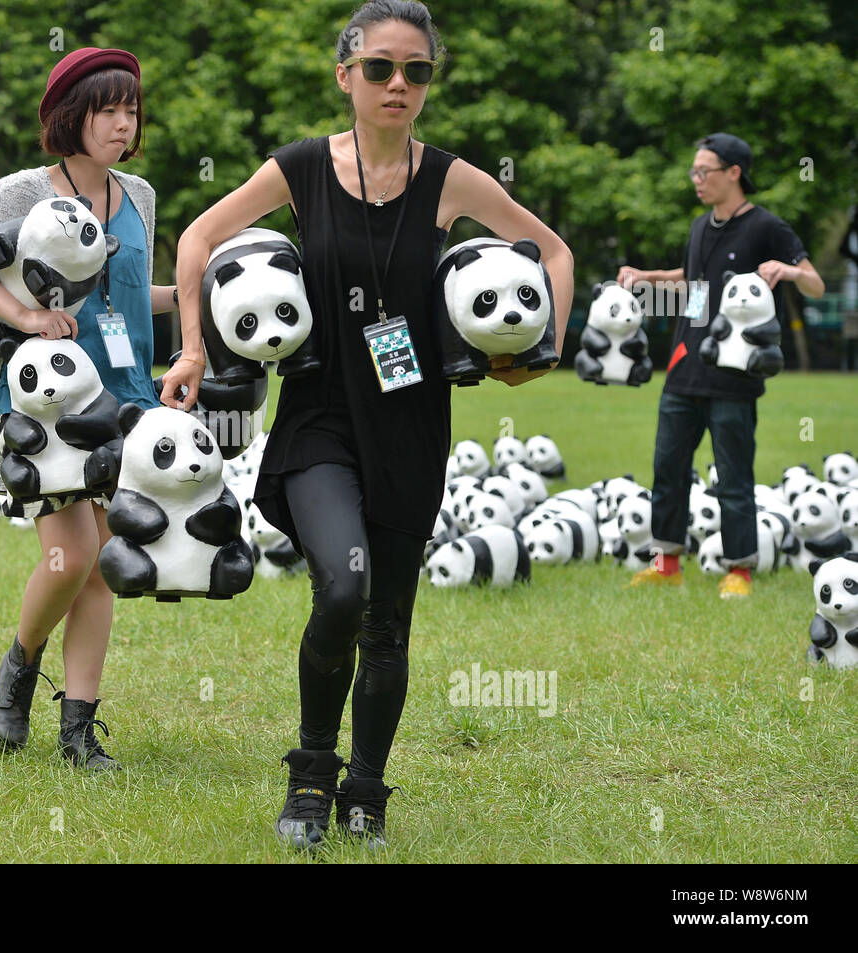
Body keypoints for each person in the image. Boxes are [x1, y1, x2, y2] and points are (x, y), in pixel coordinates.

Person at [164, 0, 573, 849]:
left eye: (416, 71)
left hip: (413, 427)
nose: (399, 85)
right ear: (345, 74)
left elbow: (554, 253)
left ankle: (367, 792)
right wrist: (196, 349)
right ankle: (310, 777)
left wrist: (541, 347)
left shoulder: (452, 179)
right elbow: (201, 236)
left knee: (389, 620)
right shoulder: (302, 169)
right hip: (319, 421)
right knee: (342, 589)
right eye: (381, 68)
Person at [0, 48, 173, 771]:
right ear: (73, 114)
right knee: (72, 555)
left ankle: (77, 729)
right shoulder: (26, 189)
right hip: (45, 399)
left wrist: (204, 291)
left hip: (125, 397)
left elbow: (127, 293)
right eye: (108, 108)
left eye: (131, 109)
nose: (123, 123)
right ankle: (21, 663)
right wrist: (20, 314)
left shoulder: (142, 196)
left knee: (101, 567)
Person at [618, 132, 824, 597]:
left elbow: (815, 284)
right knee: (667, 467)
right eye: (694, 171)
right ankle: (666, 560)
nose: (696, 179)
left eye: (704, 171)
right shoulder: (698, 226)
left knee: (734, 474)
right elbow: (693, 285)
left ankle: (740, 569)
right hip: (684, 367)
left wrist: (789, 271)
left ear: (734, 172)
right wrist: (644, 277)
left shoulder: (767, 227)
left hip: (734, 377)